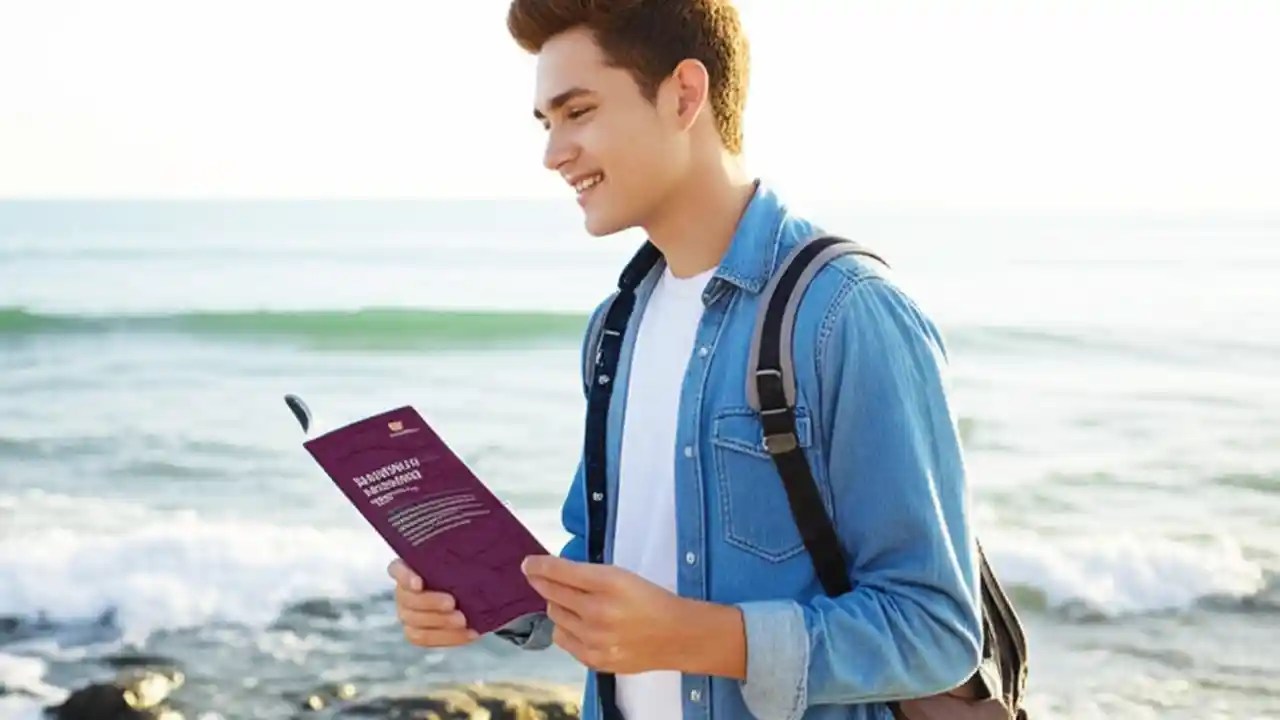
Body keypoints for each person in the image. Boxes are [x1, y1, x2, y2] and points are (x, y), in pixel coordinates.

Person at [387, 1, 983, 718]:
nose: (553, 154)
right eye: (547, 124)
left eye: (578, 112)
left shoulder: (846, 313)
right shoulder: (615, 329)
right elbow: (612, 564)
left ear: (684, 95)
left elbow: (937, 631)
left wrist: (697, 637)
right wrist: (489, 598)